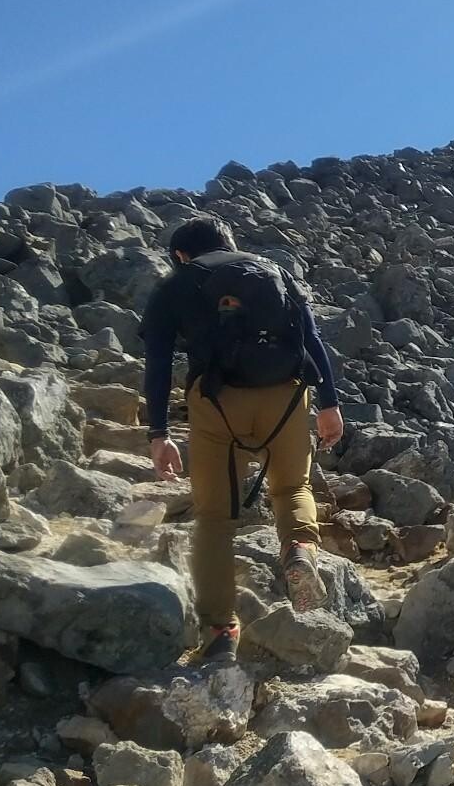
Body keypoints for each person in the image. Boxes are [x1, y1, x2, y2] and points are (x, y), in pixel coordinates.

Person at [140, 216, 345, 663]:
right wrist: (329, 403)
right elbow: (311, 339)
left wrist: (159, 433)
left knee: (215, 518)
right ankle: (298, 551)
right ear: (229, 242)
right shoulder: (273, 271)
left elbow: (157, 362)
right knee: (292, 487)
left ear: (180, 255)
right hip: (285, 396)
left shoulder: (176, 285)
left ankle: (219, 631)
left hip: (216, 403)